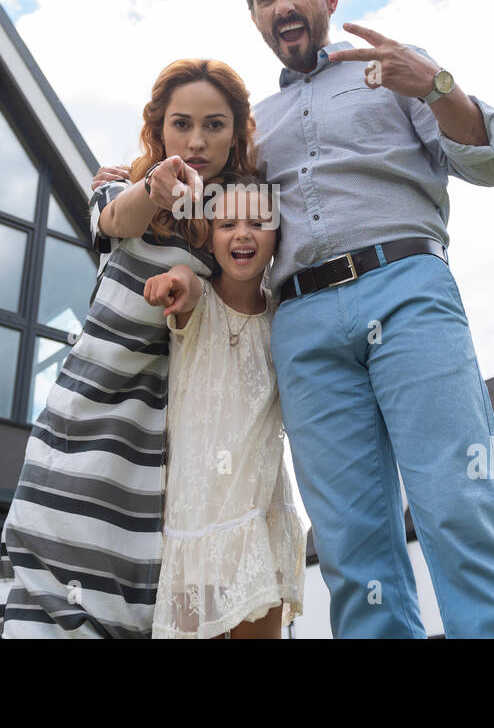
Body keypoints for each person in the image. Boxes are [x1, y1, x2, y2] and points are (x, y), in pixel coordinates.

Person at [92, 0, 494, 638]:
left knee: (456, 499)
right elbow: (203, 197)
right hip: (299, 320)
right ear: (256, 19)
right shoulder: (255, 128)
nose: (283, 5)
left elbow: (491, 161)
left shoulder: (395, 76)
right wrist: (123, 177)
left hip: (405, 287)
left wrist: (435, 83)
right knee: (349, 539)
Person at [0, 58, 259, 638]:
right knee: (40, 589)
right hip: (77, 421)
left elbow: (242, 303)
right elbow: (115, 220)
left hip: (161, 438)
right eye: (181, 124)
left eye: (215, 125)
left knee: (130, 602)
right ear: (159, 128)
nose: (196, 140)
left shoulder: (238, 222)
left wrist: (195, 281)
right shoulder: (120, 188)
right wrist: (154, 187)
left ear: (238, 132)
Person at [142, 174, 306, 639]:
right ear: (209, 237)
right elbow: (184, 284)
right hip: (196, 518)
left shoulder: (285, 316)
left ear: (278, 235)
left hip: (260, 514)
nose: (242, 233)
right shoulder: (199, 297)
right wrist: (169, 282)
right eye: (227, 223)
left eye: (259, 222)